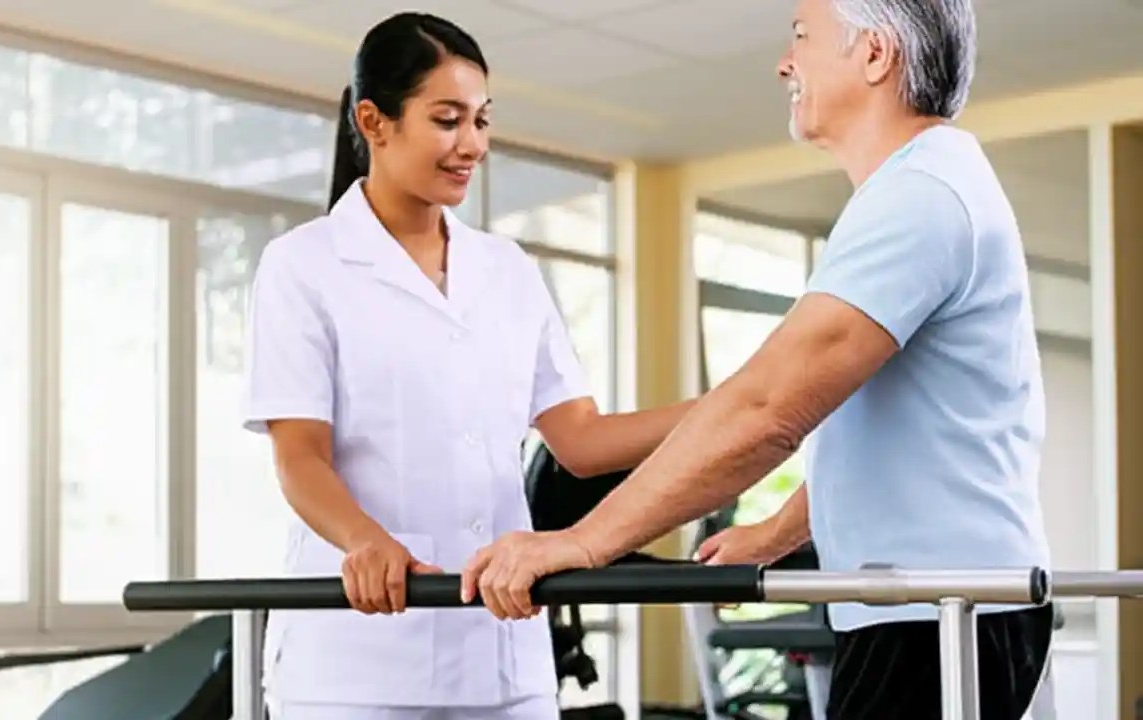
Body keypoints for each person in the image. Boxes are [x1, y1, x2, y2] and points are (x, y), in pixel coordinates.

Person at [458, 1, 1055, 718]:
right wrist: (778, 533)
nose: (784, 63)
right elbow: (897, 424)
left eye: (802, 38)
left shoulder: (919, 197)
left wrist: (582, 544)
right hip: (929, 604)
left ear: (876, 55)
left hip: (938, 611)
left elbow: (770, 407)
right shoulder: (924, 186)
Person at [240, 12, 696, 720]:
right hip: (360, 664)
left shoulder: (506, 269)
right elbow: (299, 455)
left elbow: (580, 440)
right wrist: (364, 542)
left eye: (482, 121)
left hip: (503, 660)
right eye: (447, 120)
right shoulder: (304, 265)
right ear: (374, 120)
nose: (472, 145)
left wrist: (728, 407)